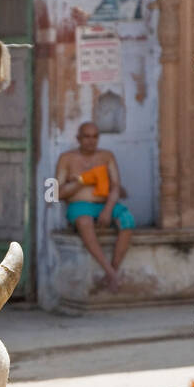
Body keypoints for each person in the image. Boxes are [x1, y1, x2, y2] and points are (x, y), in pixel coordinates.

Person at [56, 121, 135, 292]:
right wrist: (82, 181)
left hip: (104, 204)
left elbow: (116, 186)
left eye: (95, 137)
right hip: (79, 206)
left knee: (127, 219)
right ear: (78, 138)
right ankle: (112, 274)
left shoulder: (106, 156)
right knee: (85, 222)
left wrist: (107, 209)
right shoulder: (67, 158)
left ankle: (111, 272)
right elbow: (57, 194)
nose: (91, 141)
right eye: (86, 137)